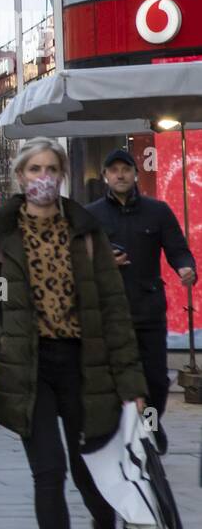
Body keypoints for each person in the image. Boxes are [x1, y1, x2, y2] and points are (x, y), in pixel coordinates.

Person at [0, 137, 147, 529]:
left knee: (89, 473)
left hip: (84, 368)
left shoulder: (85, 232)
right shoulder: (2, 235)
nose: (43, 178)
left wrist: (131, 383)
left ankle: (106, 528)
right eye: (34, 170)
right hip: (29, 369)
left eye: (50, 169)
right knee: (48, 473)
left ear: (62, 174)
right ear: (20, 177)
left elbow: (114, 309)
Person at [85, 148, 195, 454]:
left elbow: (178, 249)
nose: (120, 175)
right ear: (106, 176)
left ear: (135, 174)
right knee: (113, 379)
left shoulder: (157, 211)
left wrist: (187, 268)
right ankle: (121, 432)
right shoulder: (92, 215)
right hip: (109, 310)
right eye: (114, 170)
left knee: (156, 380)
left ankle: (149, 425)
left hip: (148, 308)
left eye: (126, 169)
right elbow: (77, 259)